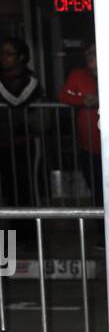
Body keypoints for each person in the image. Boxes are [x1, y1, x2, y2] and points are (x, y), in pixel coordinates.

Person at [0, 35, 45, 206]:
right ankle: (11, 233)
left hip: (25, 144)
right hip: (3, 144)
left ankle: (30, 232)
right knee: (8, 193)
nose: (2, 57)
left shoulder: (30, 80)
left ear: (21, 57)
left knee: (26, 191)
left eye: (8, 53)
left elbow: (16, 100)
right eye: (1, 53)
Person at [59, 41, 102, 206]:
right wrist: (82, 100)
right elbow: (64, 96)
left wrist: (100, 101)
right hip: (88, 144)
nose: (90, 55)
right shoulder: (78, 74)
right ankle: (102, 230)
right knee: (95, 188)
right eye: (88, 52)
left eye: (94, 52)